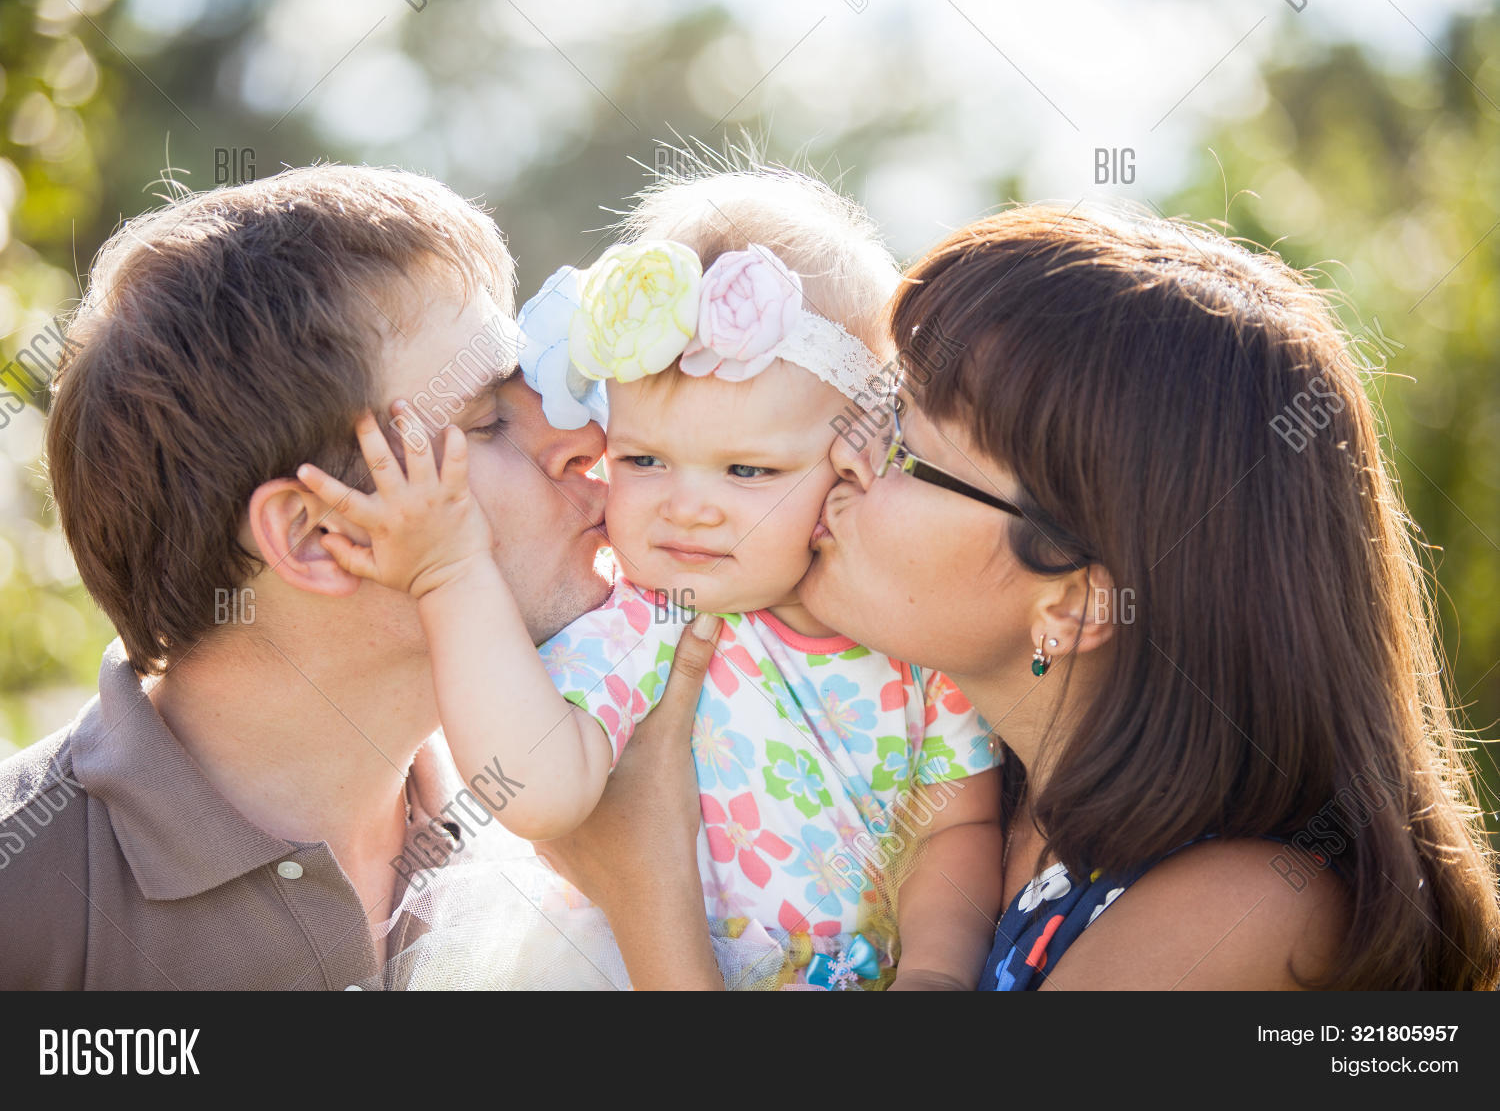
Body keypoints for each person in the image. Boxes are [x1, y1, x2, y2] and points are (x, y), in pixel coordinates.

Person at [547, 202, 1500, 990]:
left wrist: (648, 894)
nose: (842, 456)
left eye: (904, 447)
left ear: (1075, 605)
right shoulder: (945, 773)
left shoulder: (1246, 914)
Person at [0, 163, 717, 989]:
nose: (589, 442)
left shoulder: (612, 798)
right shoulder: (28, 909)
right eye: (487, 420)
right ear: (315, 535)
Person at [298, 168, 1006, 989]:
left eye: (747, 470)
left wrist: (936, 973)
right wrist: (450, 573)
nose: (687, 508)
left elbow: (955, 825)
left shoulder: (908, 632)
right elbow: (537, 793)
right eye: (642, 460)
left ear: (855, 460)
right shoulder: (644, 623)